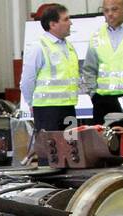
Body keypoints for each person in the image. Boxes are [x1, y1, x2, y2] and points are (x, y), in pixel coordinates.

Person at [82, 1, 123, 138]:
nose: (110, 14)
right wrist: (93, 94)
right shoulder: (96, 36)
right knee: (104, 147)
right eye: (106, 10)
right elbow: (89, 69)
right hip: (103, 100)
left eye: (114, 9)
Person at [20, 5, 79, 134]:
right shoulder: (38, 47)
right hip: (47, 110)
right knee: (50, 150)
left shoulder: (69, 47)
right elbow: (27, 80)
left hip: (69, 107)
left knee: (71, 147)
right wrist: (32, 103)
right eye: (66, 19)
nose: (70, 23)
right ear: (53, 24)